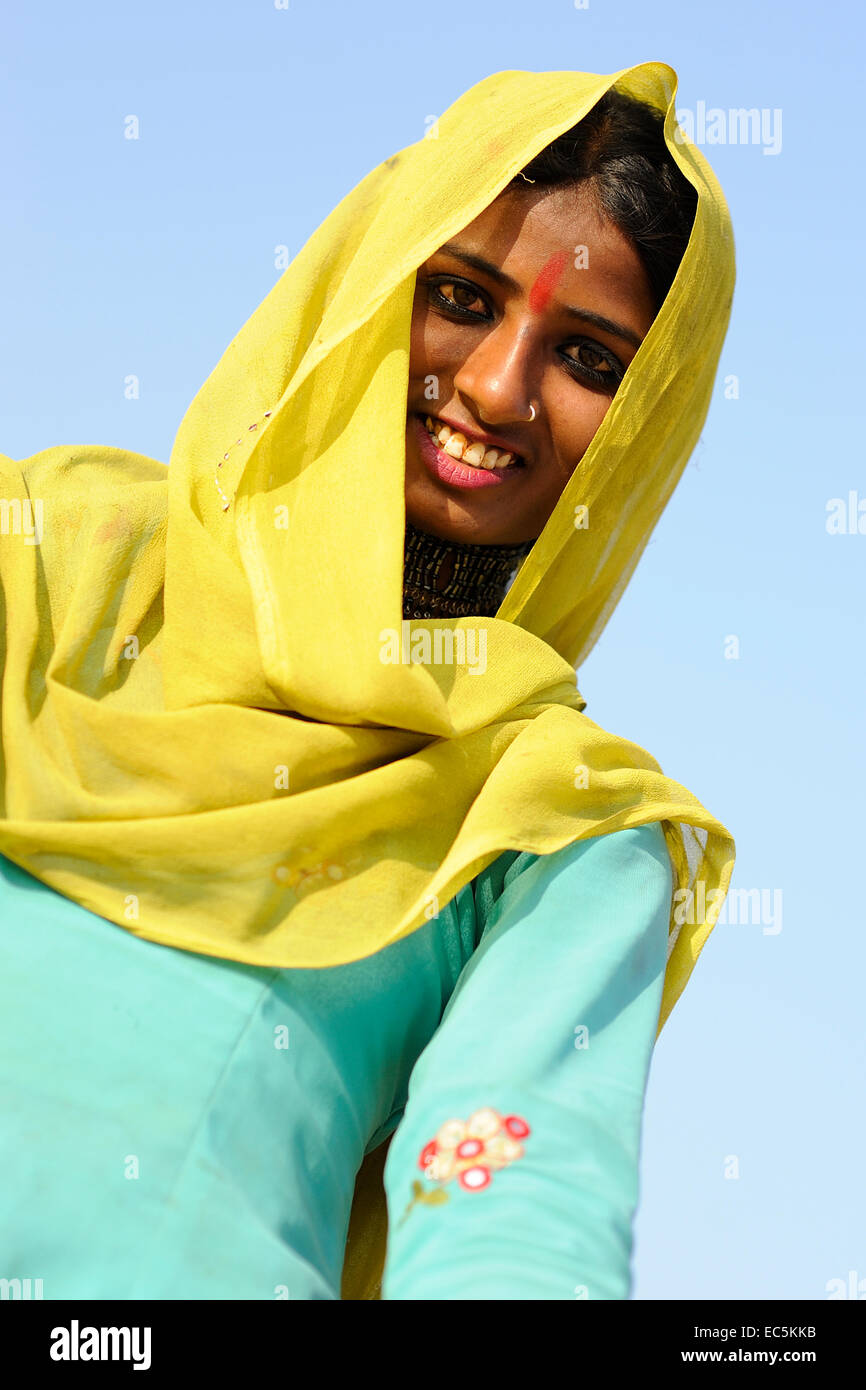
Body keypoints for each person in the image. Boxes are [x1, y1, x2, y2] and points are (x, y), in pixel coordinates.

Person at [0, 61, 736, 1301]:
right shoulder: (56, 564)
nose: (496, 388)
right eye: (458, 296)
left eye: (589, 359)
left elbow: (518, 1218)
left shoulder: (558, 822)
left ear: (646, 425)